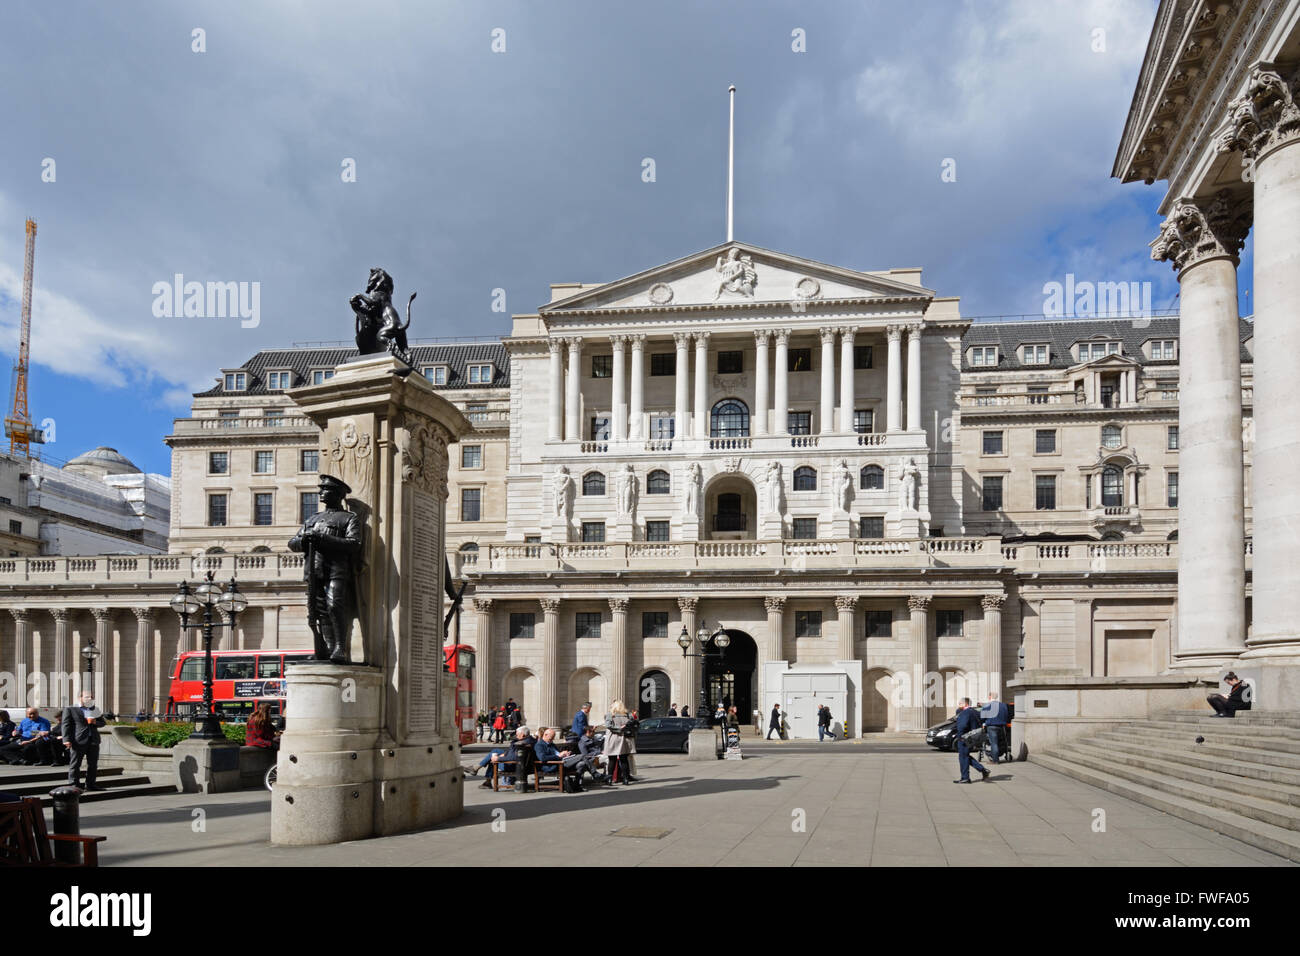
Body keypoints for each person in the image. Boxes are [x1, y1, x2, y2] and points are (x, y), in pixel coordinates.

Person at [63, 690, 107, 791]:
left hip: (93, 740)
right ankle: (74, 784)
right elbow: (65, 725)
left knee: (93, 764)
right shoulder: (71, 709)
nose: (90, 699)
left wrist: (95, 721)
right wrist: (66, 739)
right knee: (75, 763)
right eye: (87, 697)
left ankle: (90, 785)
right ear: (80, 698)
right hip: (78, 740)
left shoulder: (95, 709)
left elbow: (103, 723)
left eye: (91, 697)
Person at [953, 698, 989, 784]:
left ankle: (965, 778)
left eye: (960, 703)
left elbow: (962, 726)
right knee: (965, 756)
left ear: (965, 704)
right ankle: (983, 770)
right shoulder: (975, 712)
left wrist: (960, 735)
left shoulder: (965, 713)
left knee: (963, 757)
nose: (958, 705)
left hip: (964, 738)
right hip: (972, 737)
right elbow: (983, 720)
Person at [603, 700, 635, 785]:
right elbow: (633, 723)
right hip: (624, 738)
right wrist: (624, 727)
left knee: (612, 760)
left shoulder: (610, 714)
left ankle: (609, 779)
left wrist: (619, 728)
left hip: (613, 738)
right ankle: (625, 779)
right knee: (624, 759)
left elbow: (608, 726)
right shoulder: (628, 714)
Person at [980, 693, 1009, 763]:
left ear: (990, 697)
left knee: (994, 743)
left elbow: (982, 717)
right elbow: (1007, 715)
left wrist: (984, 722)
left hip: (991, 726)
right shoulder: (1003, 705)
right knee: (1000, 742)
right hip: (1001, 726)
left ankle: (995, 760)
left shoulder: (987, 705)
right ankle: (1001, 754)